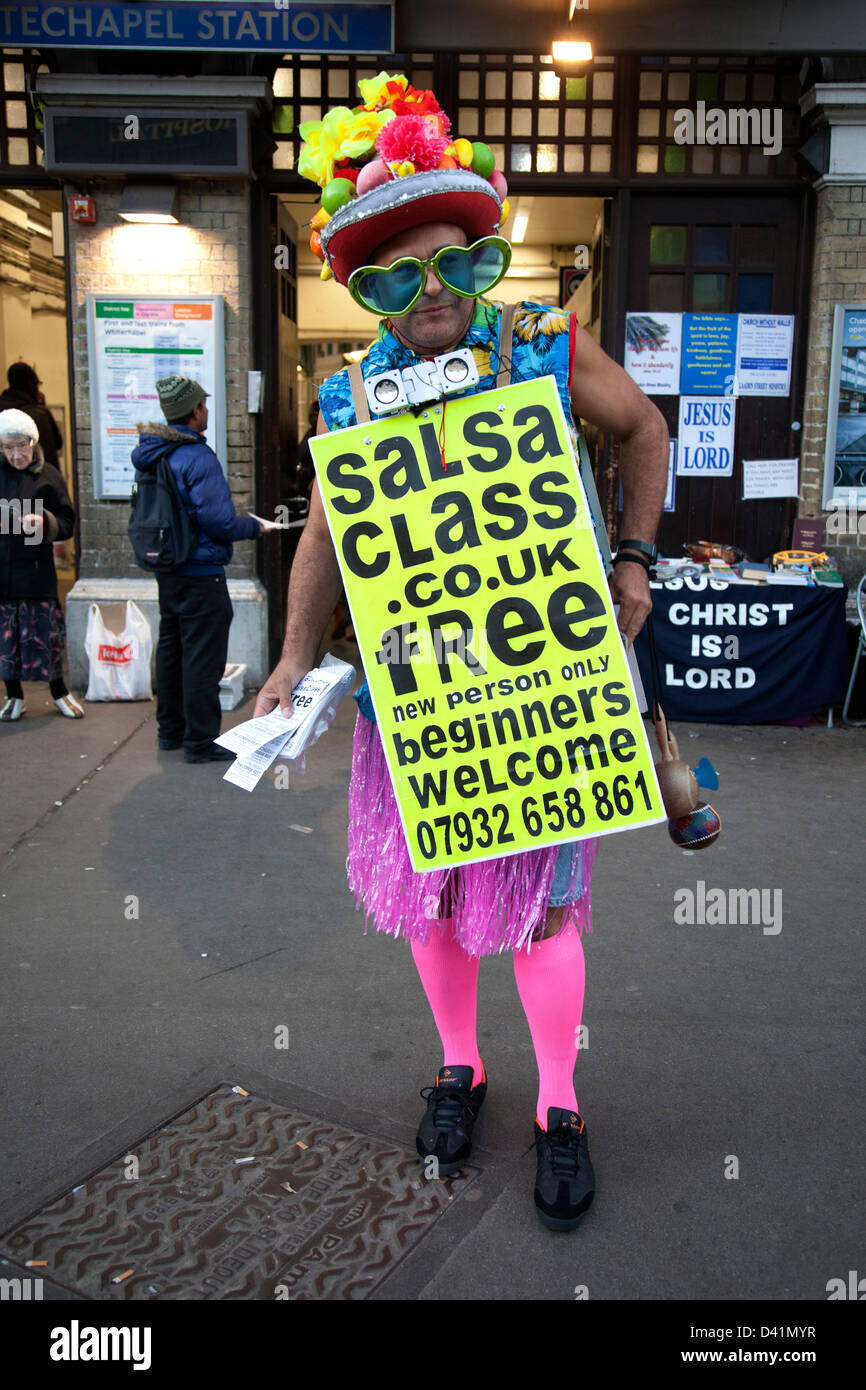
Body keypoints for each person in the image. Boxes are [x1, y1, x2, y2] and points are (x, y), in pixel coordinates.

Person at [254, 75, 669, 1231]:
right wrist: (292, 656)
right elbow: (326, 538)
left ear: (486, 262)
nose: (429, 292)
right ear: (364, 287)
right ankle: (458, 1070)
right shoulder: (349, 398)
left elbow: (641, 430)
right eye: (395, 275)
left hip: (544, 687)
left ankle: (559, 1107)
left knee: (541, 907)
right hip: (418, 693)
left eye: (456, 264)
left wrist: (633, 560)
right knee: (436, 896)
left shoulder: (542, 344)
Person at [131, 376, 270, 763]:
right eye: (203, 405)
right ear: (195, 411)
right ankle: (200, 742)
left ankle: (170, 732)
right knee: (202, 658)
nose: (206, 410)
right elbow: (219, 522)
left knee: (172, 648)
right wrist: (254, 526)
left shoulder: (153, 452)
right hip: (200, 571)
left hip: (168, 566)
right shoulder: (196, 457)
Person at [0, 407, 81, 720]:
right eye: (8, 447)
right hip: (3, 573)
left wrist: (45, 522)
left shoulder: (47, 475)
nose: (16, 454)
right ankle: (14, 696)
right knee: (7, 640)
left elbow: (68, 521)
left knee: (45, 636)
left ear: (32, 442)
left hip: (35, 573)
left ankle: (59, 691)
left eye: (22, 445)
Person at [0, 363, 63, 468]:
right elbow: (55, 448)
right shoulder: (40, 415)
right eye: (37, 384)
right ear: (30, 384)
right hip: (35, 481)